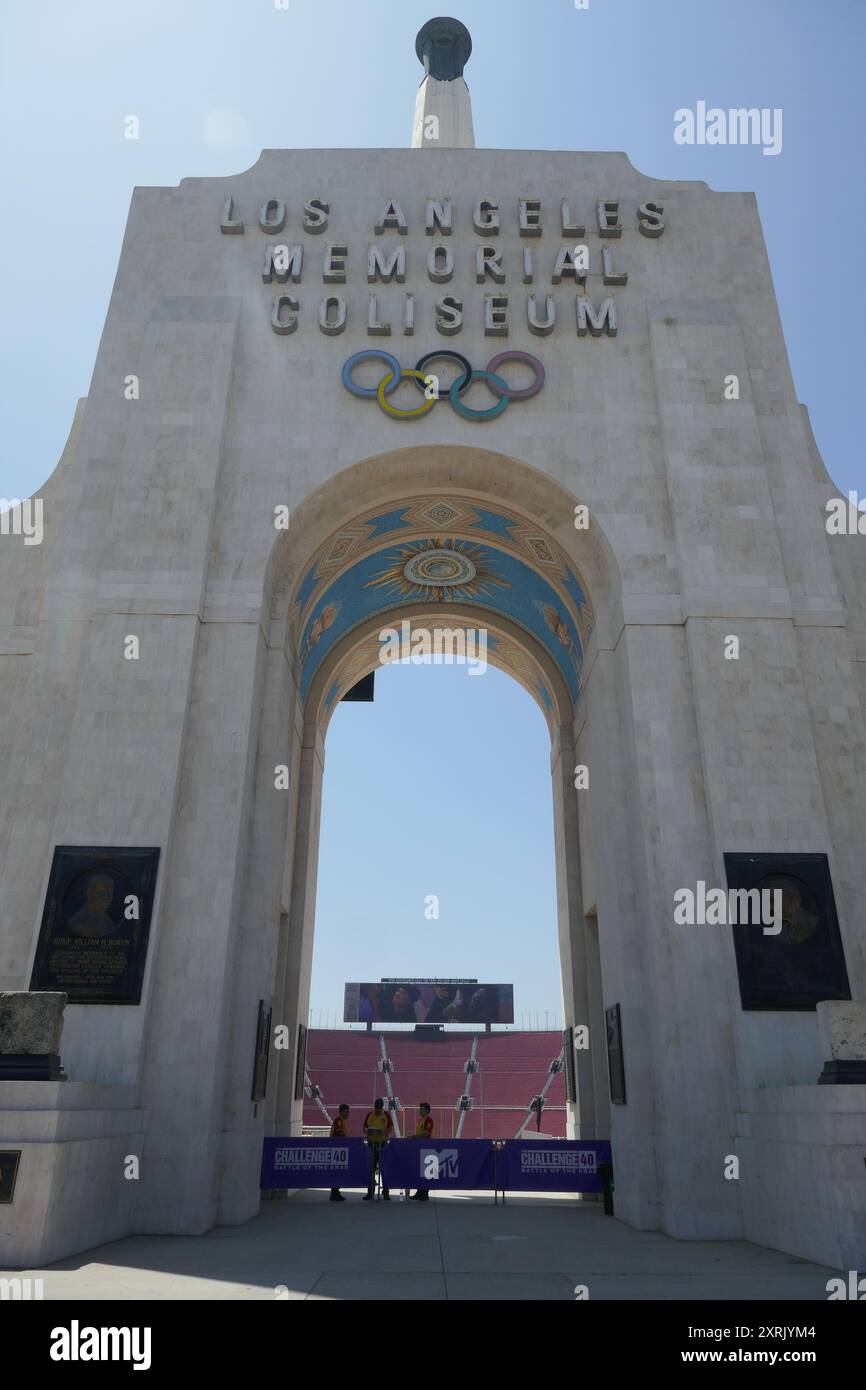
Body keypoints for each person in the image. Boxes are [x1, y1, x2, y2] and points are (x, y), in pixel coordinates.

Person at [362, 1098, 394, 1200]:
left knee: (384, 1169)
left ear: (382, 1108)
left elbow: (390, 1127)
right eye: (375, 1108)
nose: (377, 1111)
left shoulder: (386, 1115)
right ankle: (370, 1192)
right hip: (372, 1144)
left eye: (379, 1109)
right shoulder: (369, 1115)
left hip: (383, 1144)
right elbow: (364, 1127)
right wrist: (367, 1131)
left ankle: (386, 1192)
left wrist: (385, 1132)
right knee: (371, 1168)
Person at [410, 1102, 435, 1201]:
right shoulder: (422, 1120)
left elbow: (425, 1133)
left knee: (426, 1172)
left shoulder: (428, 1120)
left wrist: (413, 1137)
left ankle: (425, 1193)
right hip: (420, 1148)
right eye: (420, 1109)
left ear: (427, 1111)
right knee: (420, 1171)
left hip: (426, 1148)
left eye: (422, 1109)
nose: (420, 1111)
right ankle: (419, 1192)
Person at [329, 1104, 350, 1202]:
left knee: (338, 1172)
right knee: (336, 1172)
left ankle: (336, 1192)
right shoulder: (338, 1120)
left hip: (339, 1150)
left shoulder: (342, 1121)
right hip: (336, 1150)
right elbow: (339, 1133)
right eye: (346, 1111)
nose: (348, 1113)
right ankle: (334, 1193)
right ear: (341, 1111)